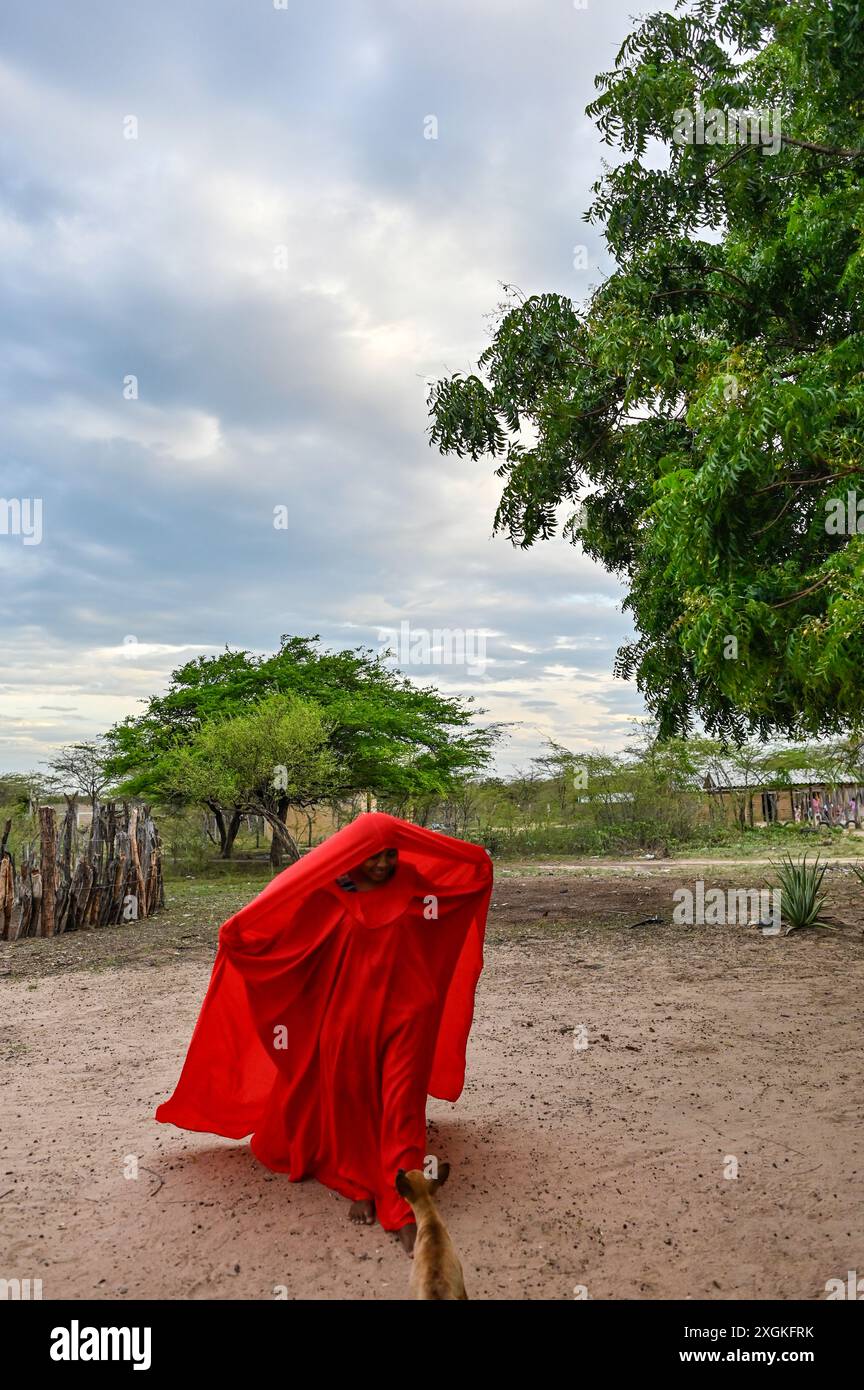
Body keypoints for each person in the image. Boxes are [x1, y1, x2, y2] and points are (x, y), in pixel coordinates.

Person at [155, 812, 493, 1252]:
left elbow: (454, 901)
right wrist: (242, 940)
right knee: (350, 1102)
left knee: (402, 1104)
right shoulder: (331, 892)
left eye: (391, 854)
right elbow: (291, 945)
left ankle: (400, 1203)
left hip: (411, 1015)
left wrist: (478, 866)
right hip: (347, 1020)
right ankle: (359, 1184)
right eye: (373, 856)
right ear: (354, 852)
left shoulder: (415, 885)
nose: (383, 864)